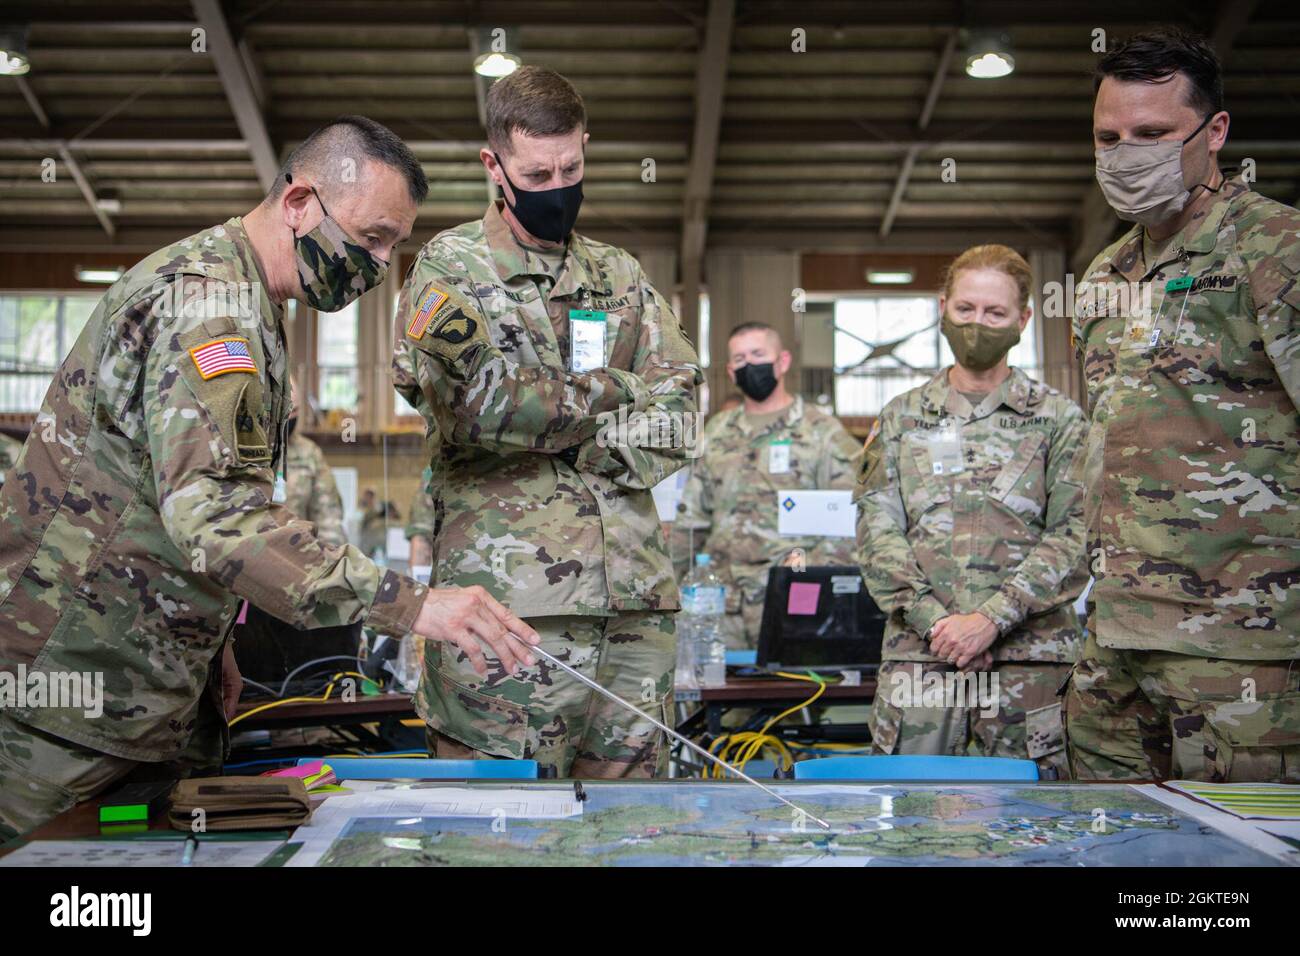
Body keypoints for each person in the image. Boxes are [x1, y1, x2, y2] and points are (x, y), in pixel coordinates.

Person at [0, 116, 538, 844]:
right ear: (298, 203)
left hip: (141, 678)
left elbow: (171, 499)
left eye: (394, 246)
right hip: (75, 696)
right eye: (373, 237)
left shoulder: (248, 303)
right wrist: (413, 604)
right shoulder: (210, 306)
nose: (380, 266)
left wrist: (210, 639)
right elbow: (220, 523)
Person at [393, 65, 702, 777]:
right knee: (498, 831)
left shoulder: (620, 274)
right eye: (537, 174)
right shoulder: (450, 268)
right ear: (493, 164)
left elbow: (684, 410)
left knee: (633, 834)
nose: (558, 186)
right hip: (508, 614)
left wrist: (572, 433)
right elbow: (476, 405)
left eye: (572, 166)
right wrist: (622, 391)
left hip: (634, 610)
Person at [1065, 28, 1300, 782]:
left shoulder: (1273, 249)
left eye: (1152, 134)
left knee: (1234, 874)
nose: (1126, 152)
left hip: (1243, 648)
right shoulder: (1107, 271)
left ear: (1215, 131)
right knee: (1109, 854)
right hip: (1116, 641)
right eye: (1110, 136)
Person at [856, 244, 1088, 778]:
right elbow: (876, 527)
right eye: (965, 309)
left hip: (1027, 669)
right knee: (913, 834)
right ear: (943, 308)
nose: (977, 323)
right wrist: (940, 625)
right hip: (922, 662)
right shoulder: (901, 417)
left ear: (1024, 320)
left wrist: (990, 620)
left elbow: (1076, 535)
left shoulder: (1060, 420)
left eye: (994, 312)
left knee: (1033, 839)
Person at [673, 322, 860, 648]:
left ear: (782, 361)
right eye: (740, 359)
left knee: (796, 692)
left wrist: (807, 566)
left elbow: (856, 516)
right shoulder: (716, 433)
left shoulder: (822, 432)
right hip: (722, 603)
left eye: (758, 354)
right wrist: (669, 586)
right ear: (731, 372)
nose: (750, 365)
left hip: (793, 598)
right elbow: (692, 519)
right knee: (718, 693)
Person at [281, 376, 346, 547]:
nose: (291, 419)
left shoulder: (309, 453)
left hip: (299, 557)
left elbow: (329, 520)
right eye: (286, 412)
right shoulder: (243, 452)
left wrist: (331, 563)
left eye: (295, 412)